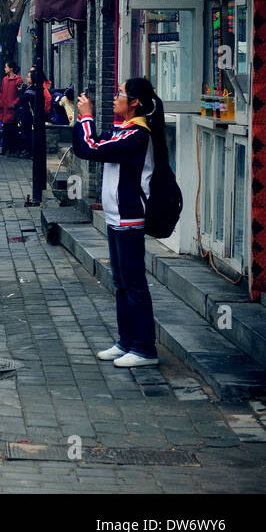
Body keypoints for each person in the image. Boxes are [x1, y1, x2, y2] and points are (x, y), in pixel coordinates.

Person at [73, 78, 165, 368]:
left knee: (134, 284)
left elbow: (90, 148)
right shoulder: (122, 131)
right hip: (116, 218)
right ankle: (126, 342)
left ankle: (144, 348)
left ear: (134, 102)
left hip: (130, 218)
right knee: (121, 283)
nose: (115, 98)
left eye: (120, 94)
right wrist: (81, 120)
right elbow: (85, 146)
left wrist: (86, 116)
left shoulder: (138, 135)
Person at [0, 61, 24, 156]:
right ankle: (6, 149)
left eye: (6, 67)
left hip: (12, 109)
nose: (5, 68)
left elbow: (20, 95)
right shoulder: (4, 80)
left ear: (11, 68)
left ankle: (12, 149)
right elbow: (2, 93)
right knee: (6, 129)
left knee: (13, 130)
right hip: (4, 108)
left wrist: (14, 104)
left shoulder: (18, 80)